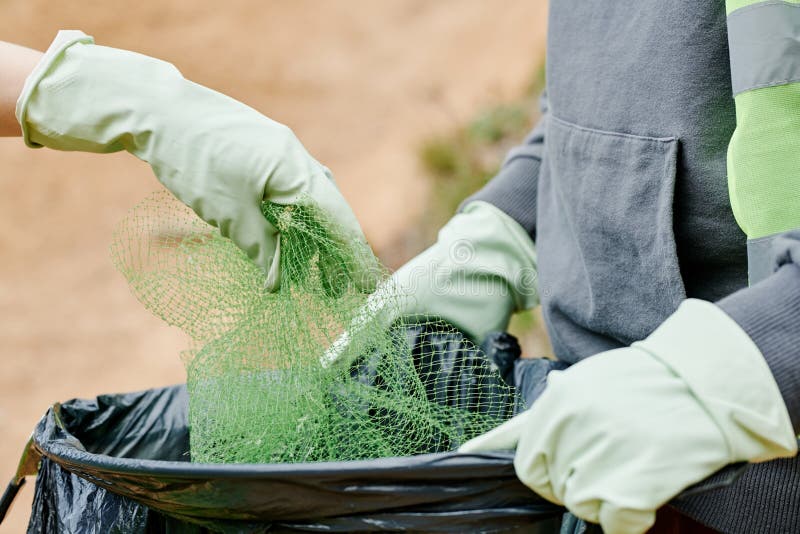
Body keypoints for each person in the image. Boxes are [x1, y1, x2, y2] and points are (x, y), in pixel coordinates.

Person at [2, 0, 799, 529]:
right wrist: (505, 227)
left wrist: (749, 365)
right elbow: (618, 82)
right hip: (601, 476)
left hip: (754, 477)